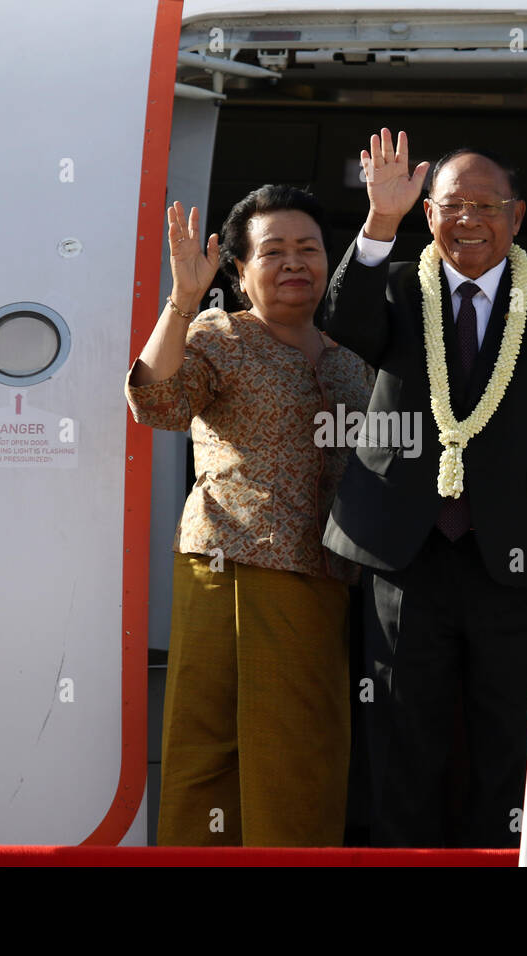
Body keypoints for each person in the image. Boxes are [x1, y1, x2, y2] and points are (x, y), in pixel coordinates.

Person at [323, 130, 527, 848]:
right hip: (404, 556)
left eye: (486, 204)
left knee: (511, 739)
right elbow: (343, 323)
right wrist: (381, 219)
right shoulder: (400, 285)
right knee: (403, 738)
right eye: (450, 205)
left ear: (518, 215)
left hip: (517, 559)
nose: (468, 219)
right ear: (427, 213)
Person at [125, 185, 373, 846]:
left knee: (306, 756)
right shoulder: (219, 334)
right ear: (239, 271)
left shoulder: (355, 360)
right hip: (228, 566)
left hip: (327, 577)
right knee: (213, 756)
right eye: (273, 251)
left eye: (308, 249)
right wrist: (181, 301)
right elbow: (159, 404)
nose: (295, 263)